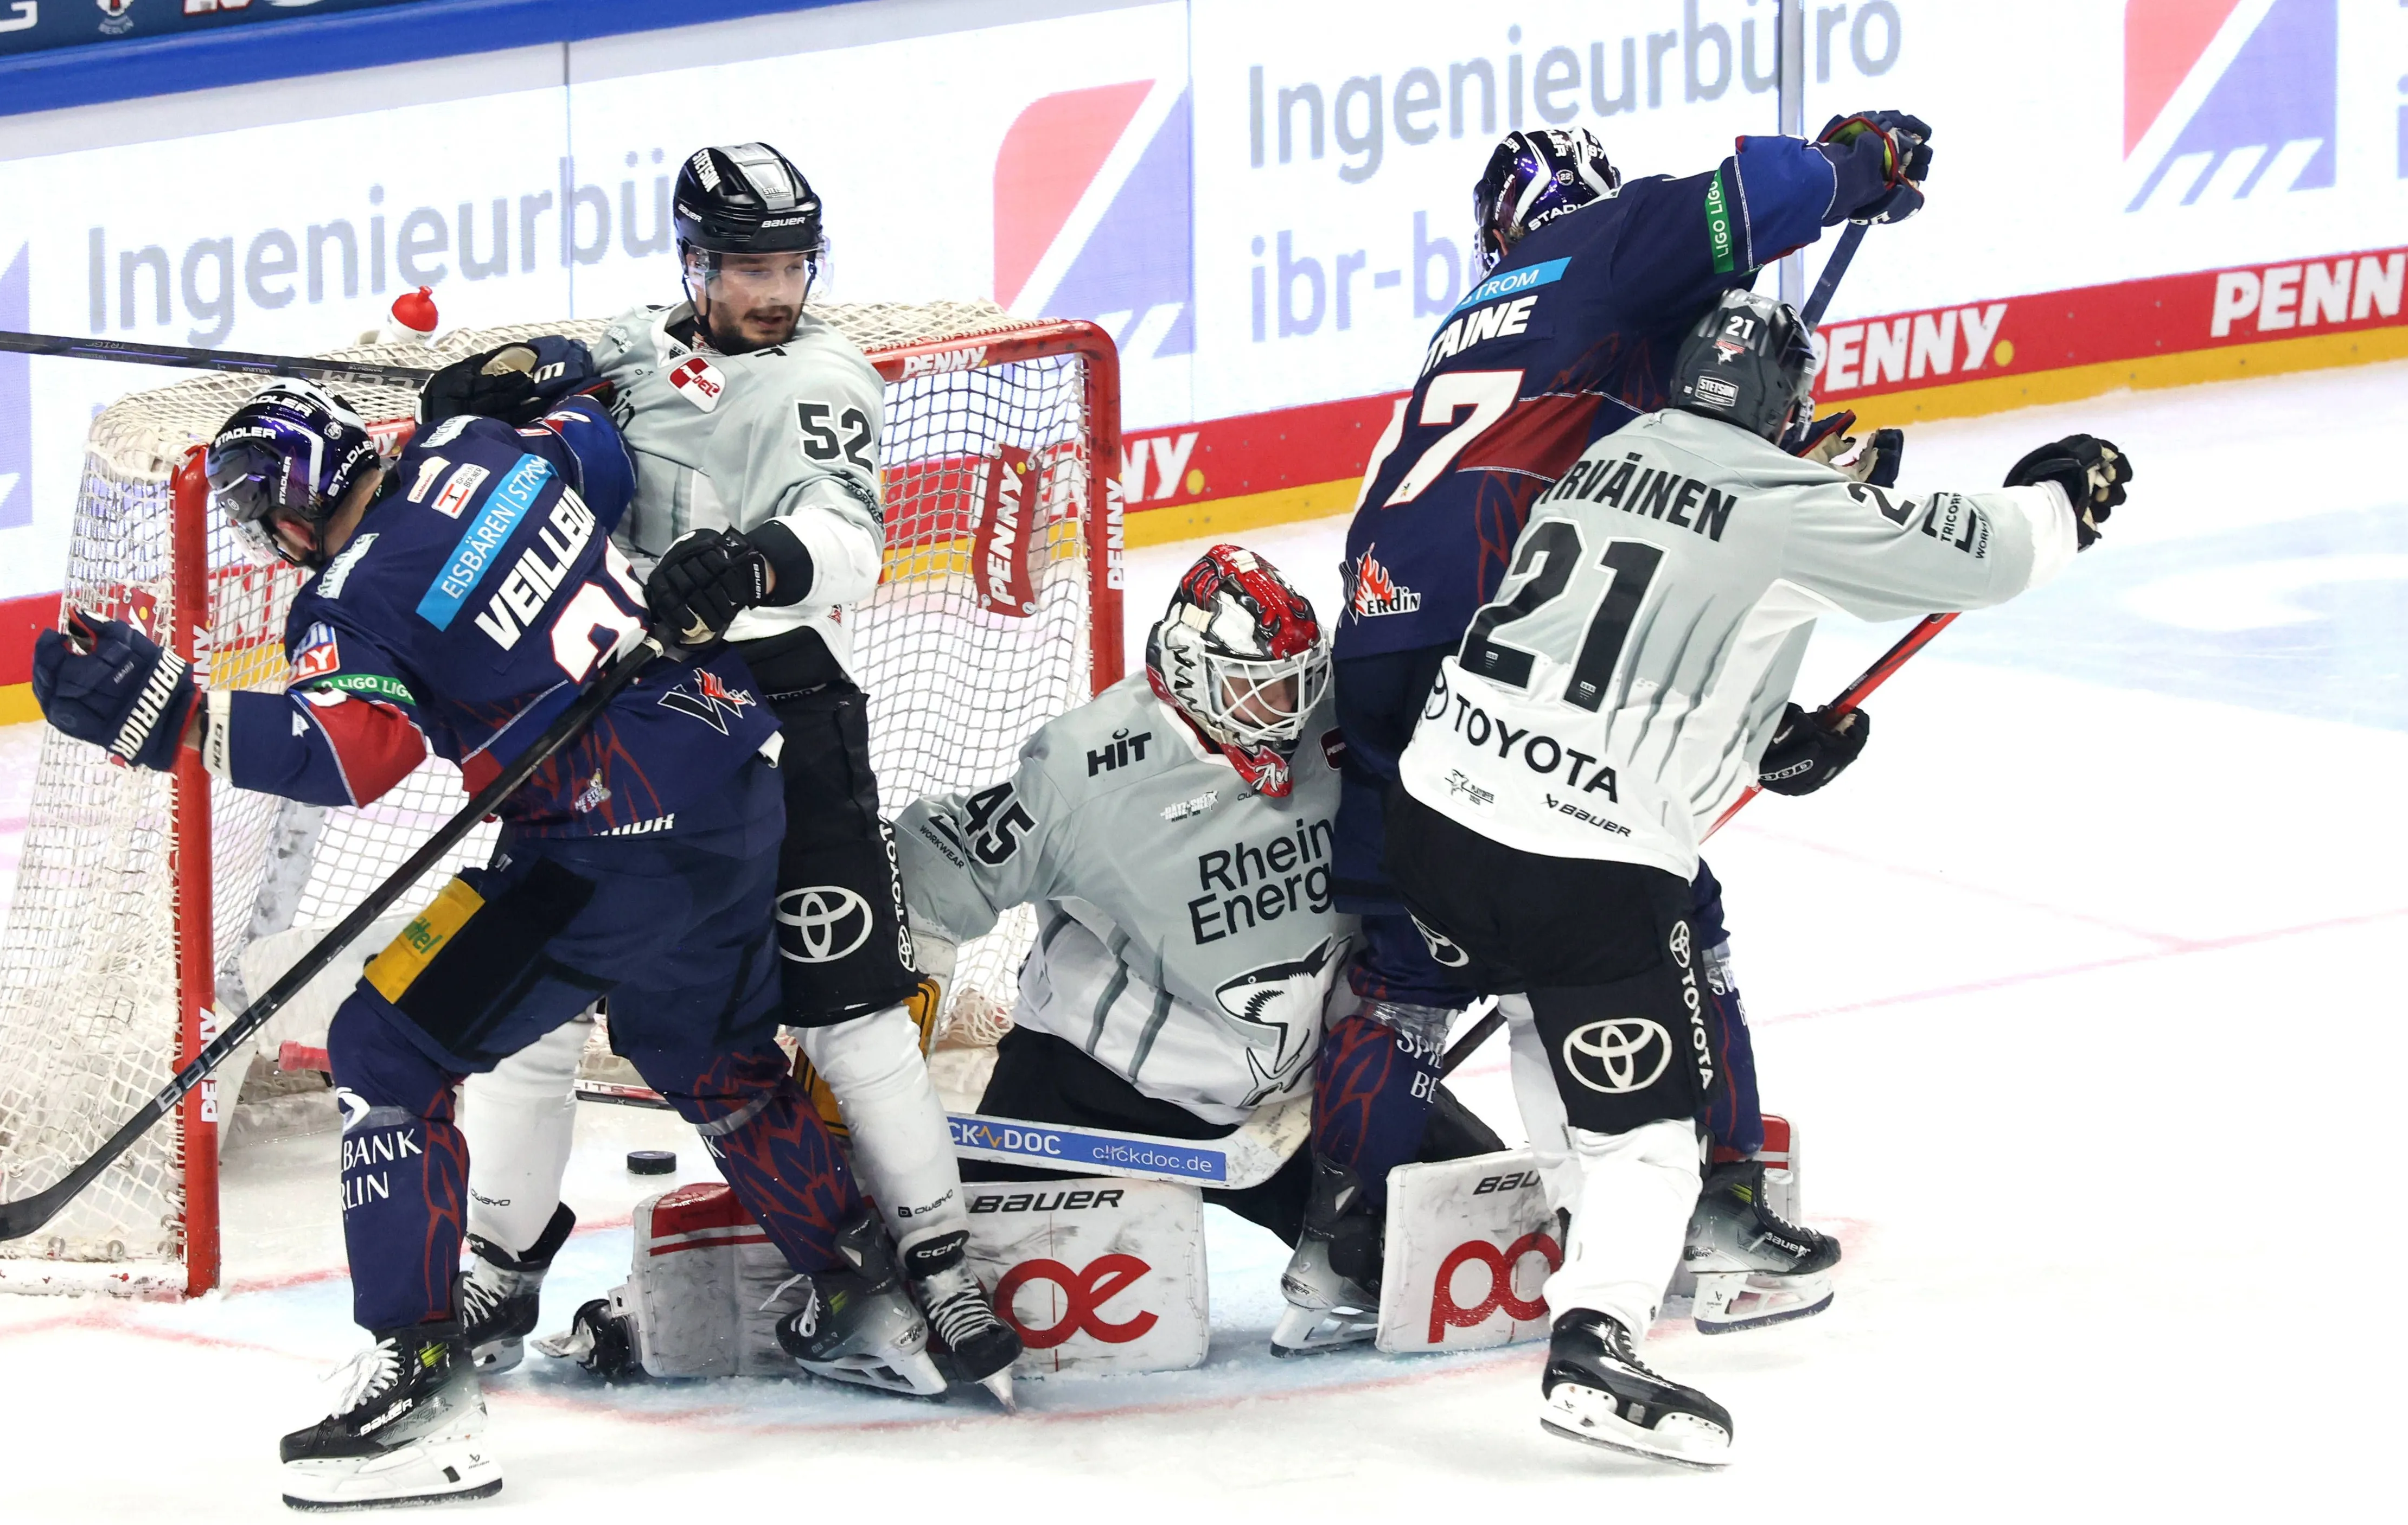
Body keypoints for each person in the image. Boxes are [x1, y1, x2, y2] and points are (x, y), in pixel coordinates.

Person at [26, 377, 932, 1509]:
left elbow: (352, 755)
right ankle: (867, 1298)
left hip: (603, 846)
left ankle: (420, 1390)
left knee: (384, 1049)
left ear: (292, 515)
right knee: (702, 1049)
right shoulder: (477, 442)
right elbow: (599, 444)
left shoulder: (347, 600)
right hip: (738, 783)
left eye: (266, 521)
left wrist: (173, 716)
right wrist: (526, 374)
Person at [1388, 288, 2132, 1466]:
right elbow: (1978, 556)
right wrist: (2059, 496)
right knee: (1652, 1135)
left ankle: (1593, 1232)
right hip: (1576, 862)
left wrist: (1755, 736)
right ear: (1786, 406)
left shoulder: (1606, 456)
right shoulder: (1783, 498)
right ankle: (1597, 1336)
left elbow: (1629, 640)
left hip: (1435, 815)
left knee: (1542, 1011)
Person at [420, 142, 1019, 1401]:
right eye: (749, 268)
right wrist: (492, 390)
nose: (774, 291)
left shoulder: (823, 376)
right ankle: (498, 1266)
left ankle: (938, 1259)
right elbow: (552, 392)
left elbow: (847, 537)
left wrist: (754, 562)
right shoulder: (636, 345)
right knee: (530, 1006)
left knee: (853, 1010)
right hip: (626, 719)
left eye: (791, 265)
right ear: (695, 265)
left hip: (785, 708)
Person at [1312, 114, 1932, 1328]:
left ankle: (1335, 1252)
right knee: (1657, 902)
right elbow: (1770, 188)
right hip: (1508, 634)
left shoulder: (1478, 321)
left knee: (1405, 961)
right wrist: (1858, 167)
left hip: (1381, 629)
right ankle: (1719, 1206)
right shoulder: (1604, 243)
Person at [887, 545, 1504, 1353]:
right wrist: (876, 1039)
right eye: (1260, 689)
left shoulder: (1340, 716)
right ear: (1189, 672)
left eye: (1300, 683)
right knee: (960, 1296)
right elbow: (939, 867)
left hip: (1309, 1097)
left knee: (1491, 1241)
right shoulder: (1085, 767)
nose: (1288, 711)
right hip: (1101, 1097)